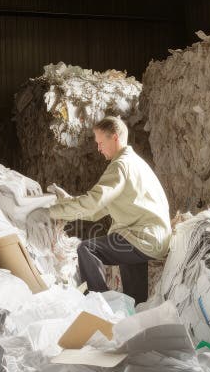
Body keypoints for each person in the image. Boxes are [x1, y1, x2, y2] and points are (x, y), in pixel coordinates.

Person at [47, 116, 171, 305]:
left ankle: (101, 305)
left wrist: (52, 211)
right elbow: (97, 210)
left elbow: (93, 202)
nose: (98, 148)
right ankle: (133, 316)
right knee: (134, 300)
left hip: (141, 237)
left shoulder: (120, 165)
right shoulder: (134, 163)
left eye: (100, 143)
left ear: (115, 138)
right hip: (149, 237)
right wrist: (68, 201)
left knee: (86, 249)